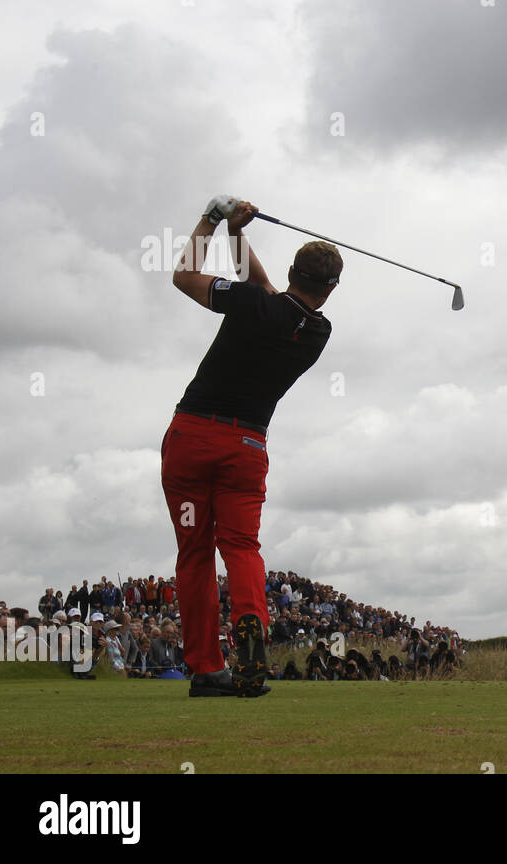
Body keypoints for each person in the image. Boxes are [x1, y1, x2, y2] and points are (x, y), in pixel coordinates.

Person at [163, 195, 340, 698]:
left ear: (291, 270)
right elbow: (268, 291)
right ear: (330, 289)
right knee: (240, 547)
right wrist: (237, 234)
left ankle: (204, 667)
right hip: (245, 446)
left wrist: (212, 220)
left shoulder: (251, 302)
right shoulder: (318, 331)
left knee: (194, 553)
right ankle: (249, 631)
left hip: (192, 437)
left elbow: (184, 275)